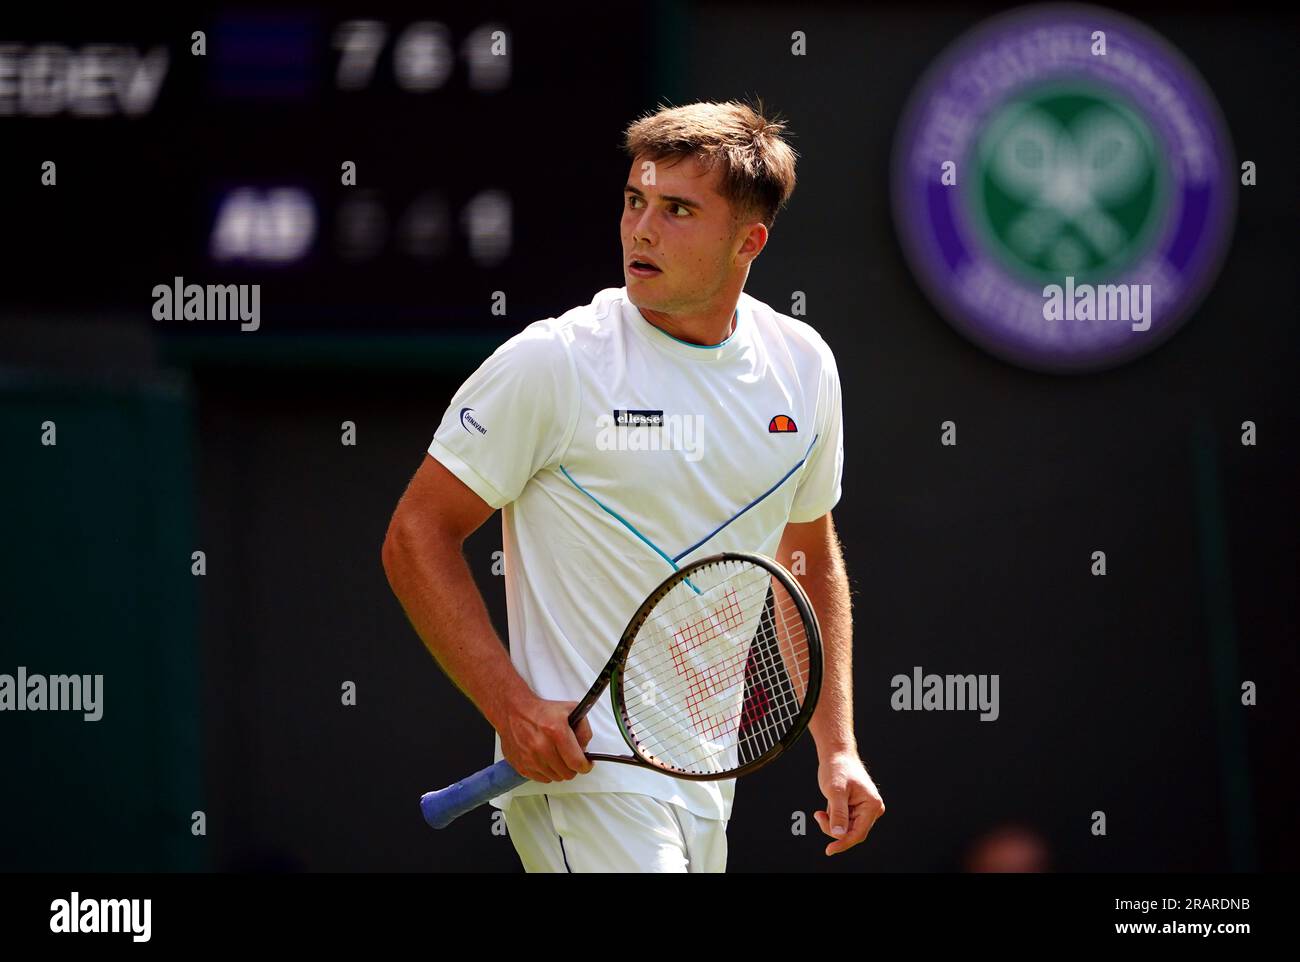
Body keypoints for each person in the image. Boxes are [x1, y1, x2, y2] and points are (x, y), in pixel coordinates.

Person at [382, 99, 884, 872]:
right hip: (586, 784)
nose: (641, 229)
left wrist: (838, 747)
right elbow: (417, 534)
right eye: (633, 200)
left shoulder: (804, 366)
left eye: (677, 209)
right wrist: (511, 707)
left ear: (749, 240)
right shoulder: (554, 363)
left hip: (700, 785)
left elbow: (806, 555)